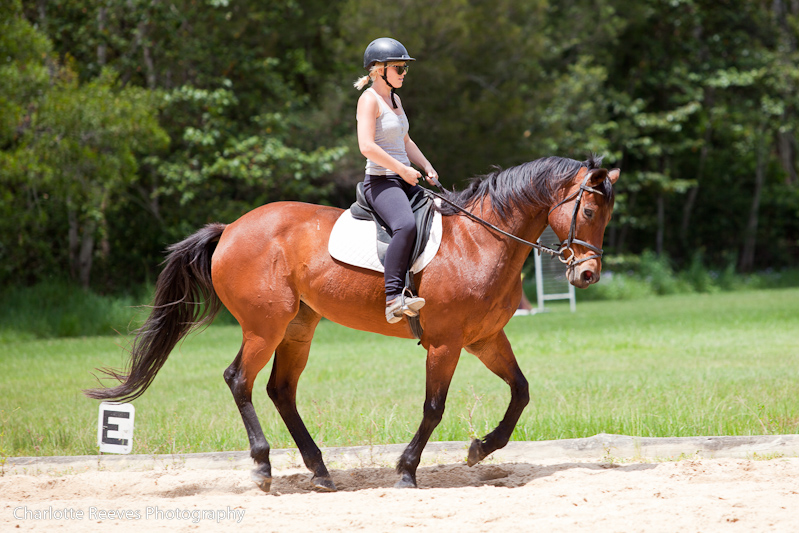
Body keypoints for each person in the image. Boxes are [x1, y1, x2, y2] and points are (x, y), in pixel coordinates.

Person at [354, 37, 439, 324]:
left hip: (405, 179)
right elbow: (366, 146)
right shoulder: (369, 99)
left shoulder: (395, 99)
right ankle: (393, 299)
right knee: (405, 225)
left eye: (405, 69)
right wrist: (401, 170)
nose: (404, 74)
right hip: (381, 182)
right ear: (379, 70)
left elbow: (404, 139)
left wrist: (425, 164)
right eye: (399, 68)